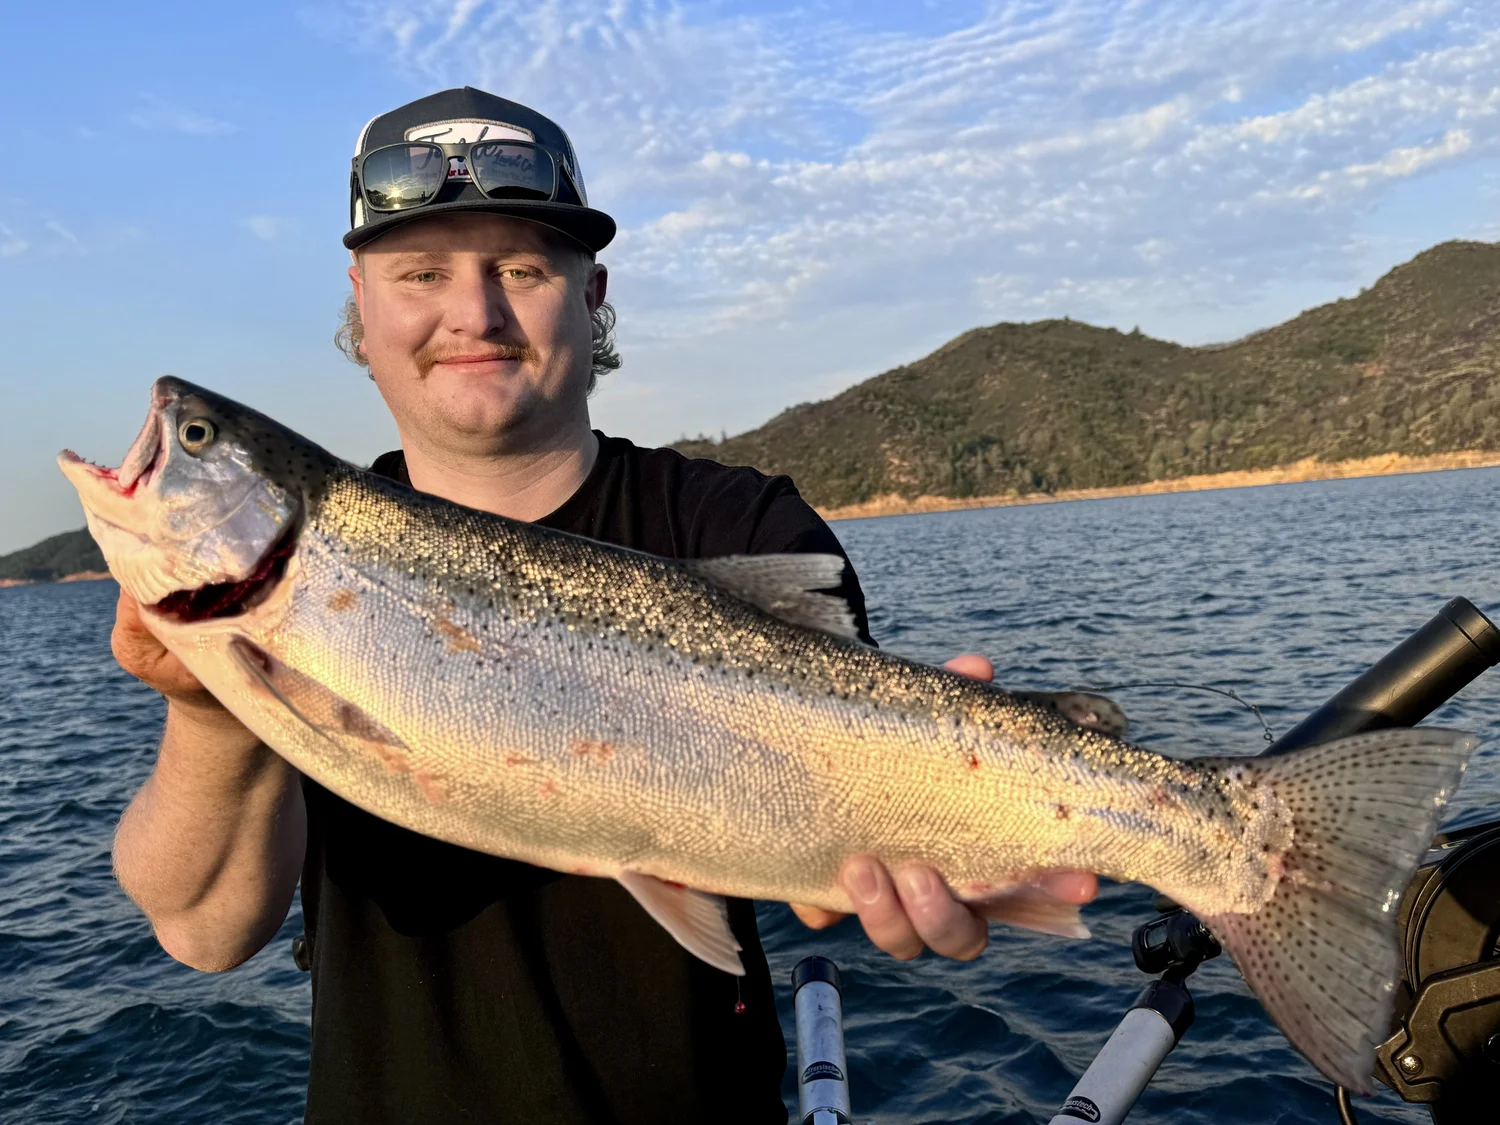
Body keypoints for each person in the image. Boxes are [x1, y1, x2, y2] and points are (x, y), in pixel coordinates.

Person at [108, 88, 1097, 1123]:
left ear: (593, 294)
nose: (475, 313)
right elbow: (204, 933)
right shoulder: (318, 577)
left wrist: (916, 825)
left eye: (523, 271)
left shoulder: (738, 522)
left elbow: (834, 815)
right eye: (422, 273)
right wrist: (210, 701)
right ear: (363, 301)